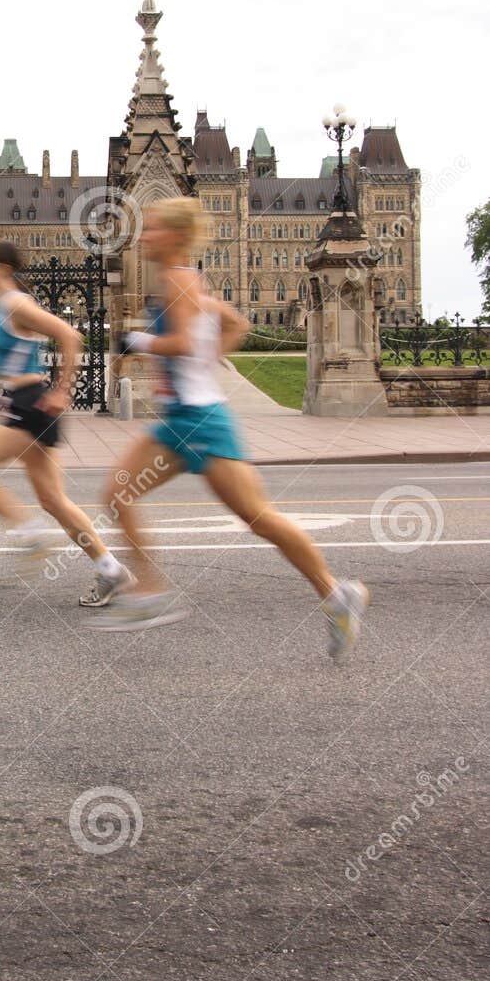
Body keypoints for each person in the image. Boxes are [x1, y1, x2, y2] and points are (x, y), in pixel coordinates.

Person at [100, 197, 368, 657]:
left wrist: (137, 340)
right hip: (185, 419)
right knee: (120, 494)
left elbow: (185, 341)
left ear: (176, 237)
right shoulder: (187, 281)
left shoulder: (179, 280)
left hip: (198, 421)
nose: (144, 235)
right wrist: (208, 359)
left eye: (154, 228)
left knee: (256, 517)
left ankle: (335, 591)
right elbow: (236, 323)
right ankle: (149, 590)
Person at [0, 240, 129, 601]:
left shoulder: (16, 304)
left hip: (29, 407)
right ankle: (111, 570)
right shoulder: (2, 307)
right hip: (26, 402)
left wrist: (63, 390)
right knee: (54, 501)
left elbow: (70, 336)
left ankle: (30, 535)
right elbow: (7, 371)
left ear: (2, 268)